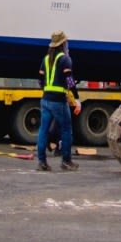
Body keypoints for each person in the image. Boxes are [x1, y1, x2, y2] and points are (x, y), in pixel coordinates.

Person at [36, 30, 80, 172]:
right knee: (66, 129)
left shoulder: (45, 59)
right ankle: (66, 161)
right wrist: (76, 98)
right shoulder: (65, 59)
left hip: (45, 99)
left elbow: (40, 81)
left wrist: (47, 90)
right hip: (59, 101)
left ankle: (42, 162)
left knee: (43, 130)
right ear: (63, 44)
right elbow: (70, 81)